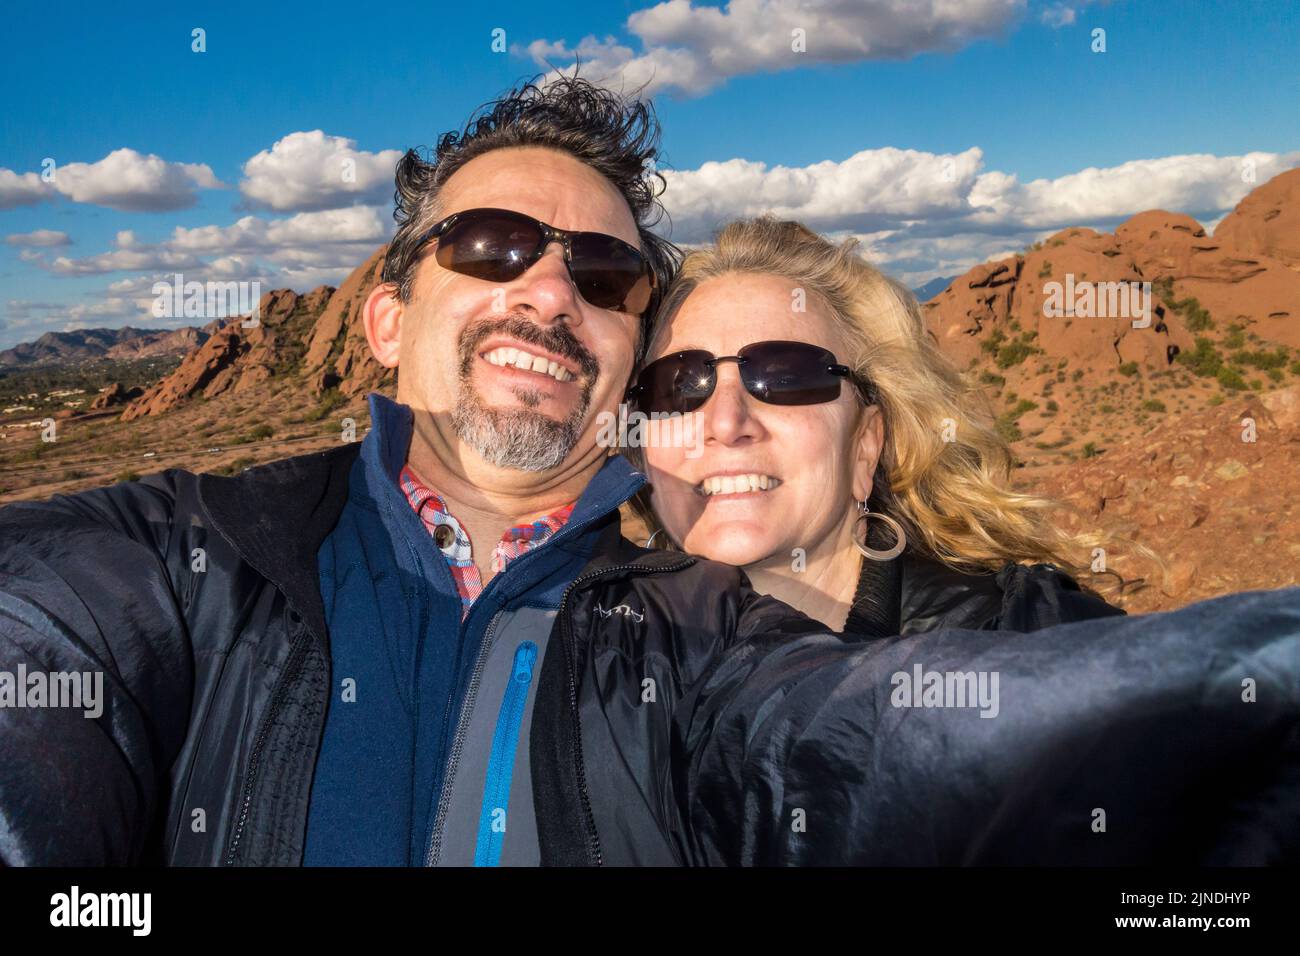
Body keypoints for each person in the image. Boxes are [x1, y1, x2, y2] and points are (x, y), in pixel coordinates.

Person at [631, 217, 1142, 634]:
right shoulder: (610, 661)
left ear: (865, 445)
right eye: (677, 384)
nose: (726, 421)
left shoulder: (1028, 643)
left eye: (786, 377)